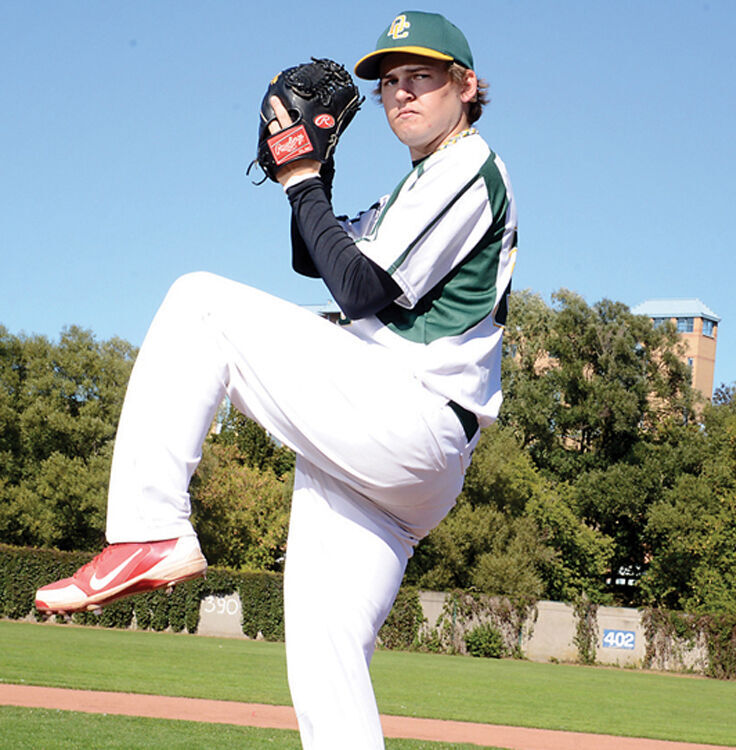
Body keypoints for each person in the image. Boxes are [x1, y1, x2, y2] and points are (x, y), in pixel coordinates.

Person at [35, 10, 517, 748]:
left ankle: (150, 531)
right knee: (325, 663)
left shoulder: (466, 167)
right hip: (384, 454)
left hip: (409, 414)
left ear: (467, 85)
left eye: (422, 77)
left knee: (200, 305)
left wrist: (299, 173)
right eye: (390, 82)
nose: (401, 94)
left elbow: (358, 289)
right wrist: (314, 173)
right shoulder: (412, 189)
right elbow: (314, 256)